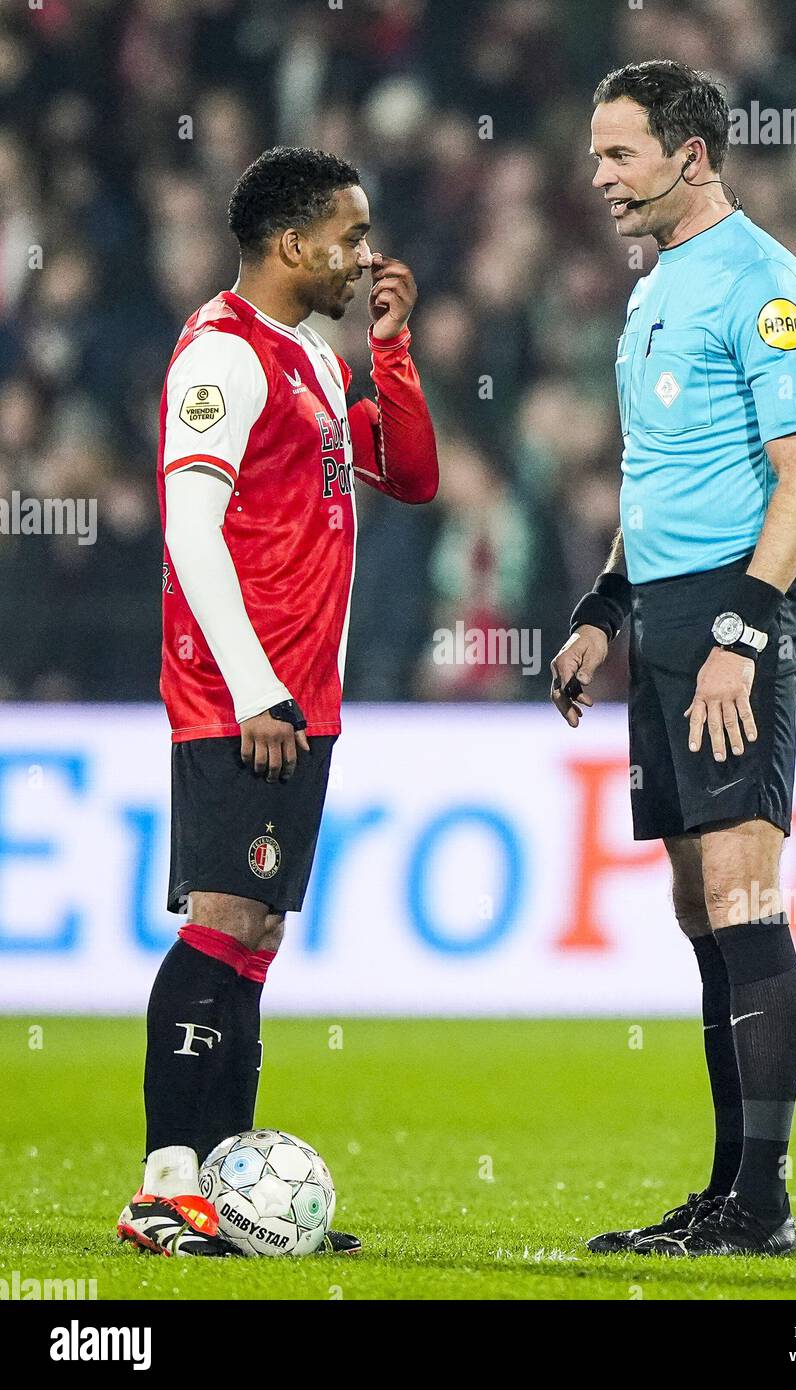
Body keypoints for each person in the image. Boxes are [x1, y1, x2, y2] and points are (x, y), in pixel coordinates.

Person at [118, 146, 438, 1256]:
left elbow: (412, 474)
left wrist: (388, 351)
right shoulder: (222, 356)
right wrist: (254, 690)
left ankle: (224, 1191)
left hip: (299, 698)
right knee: (221, 923)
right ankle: (164, 1186)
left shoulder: (305, 351)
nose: (365, 253)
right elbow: (190, 526)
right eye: (349, 236)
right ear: (293, 242)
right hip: (238, 697)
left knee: (253, 934)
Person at [550, 62, 796, 1257]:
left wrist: (738, 633)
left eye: (619, 154)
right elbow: (655, 474)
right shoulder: (655, 284)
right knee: (692, 907)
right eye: (597, 154)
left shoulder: (764, 284)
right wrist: (602, 608)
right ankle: (724, 1191)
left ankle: (758, 1204)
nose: (599, 175)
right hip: (664, 613)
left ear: (692, 153)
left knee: (741, 893)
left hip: (735, 611)